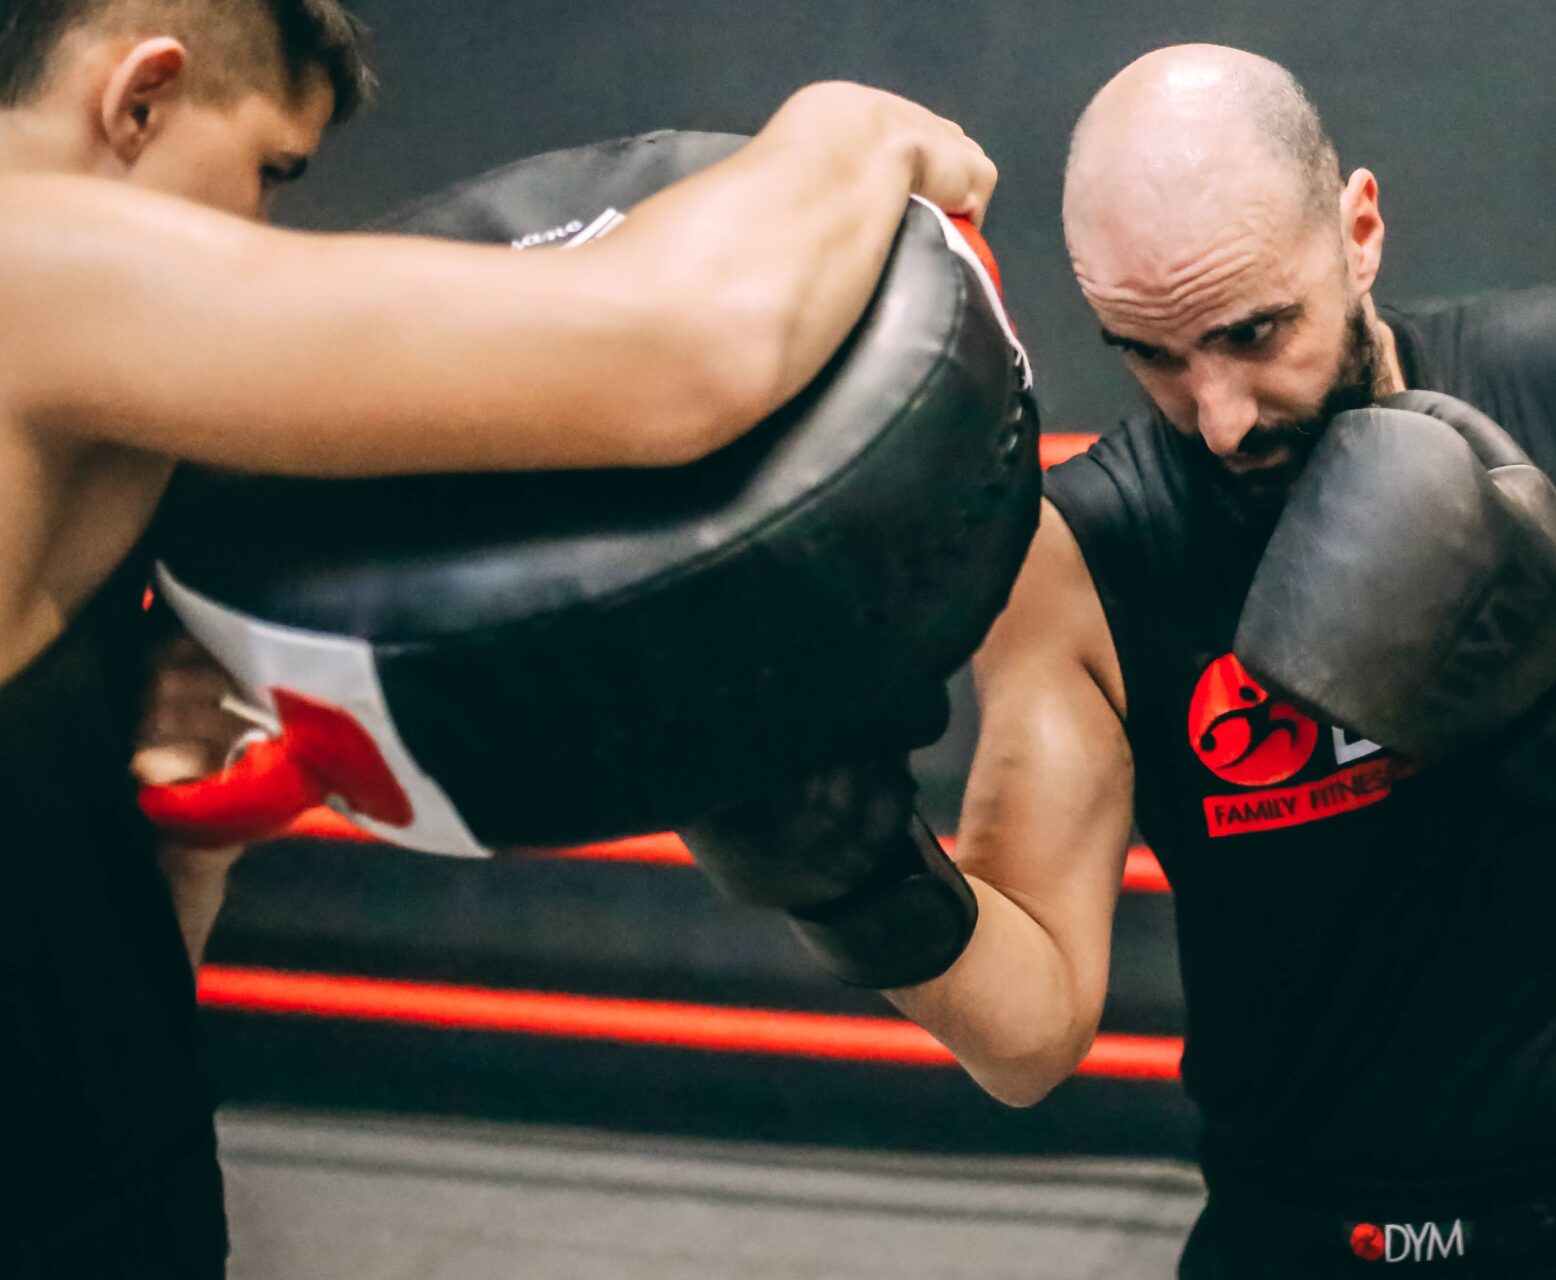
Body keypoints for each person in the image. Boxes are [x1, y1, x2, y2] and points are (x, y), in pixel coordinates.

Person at [683, 43, 1556, 1279]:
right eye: (1149, 353)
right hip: (1315, 1234)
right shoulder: (1085, 554)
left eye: (1255, 330)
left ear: (1358, 229)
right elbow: (1032, 1035)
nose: (1218, 413)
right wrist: (855, 877)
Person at [0, 0, 996, 1270]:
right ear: (139, 100)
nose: (258, 239)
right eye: (266, 173)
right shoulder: (29, 263)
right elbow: (687, 347)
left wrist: (182, 853)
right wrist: (851, 129)